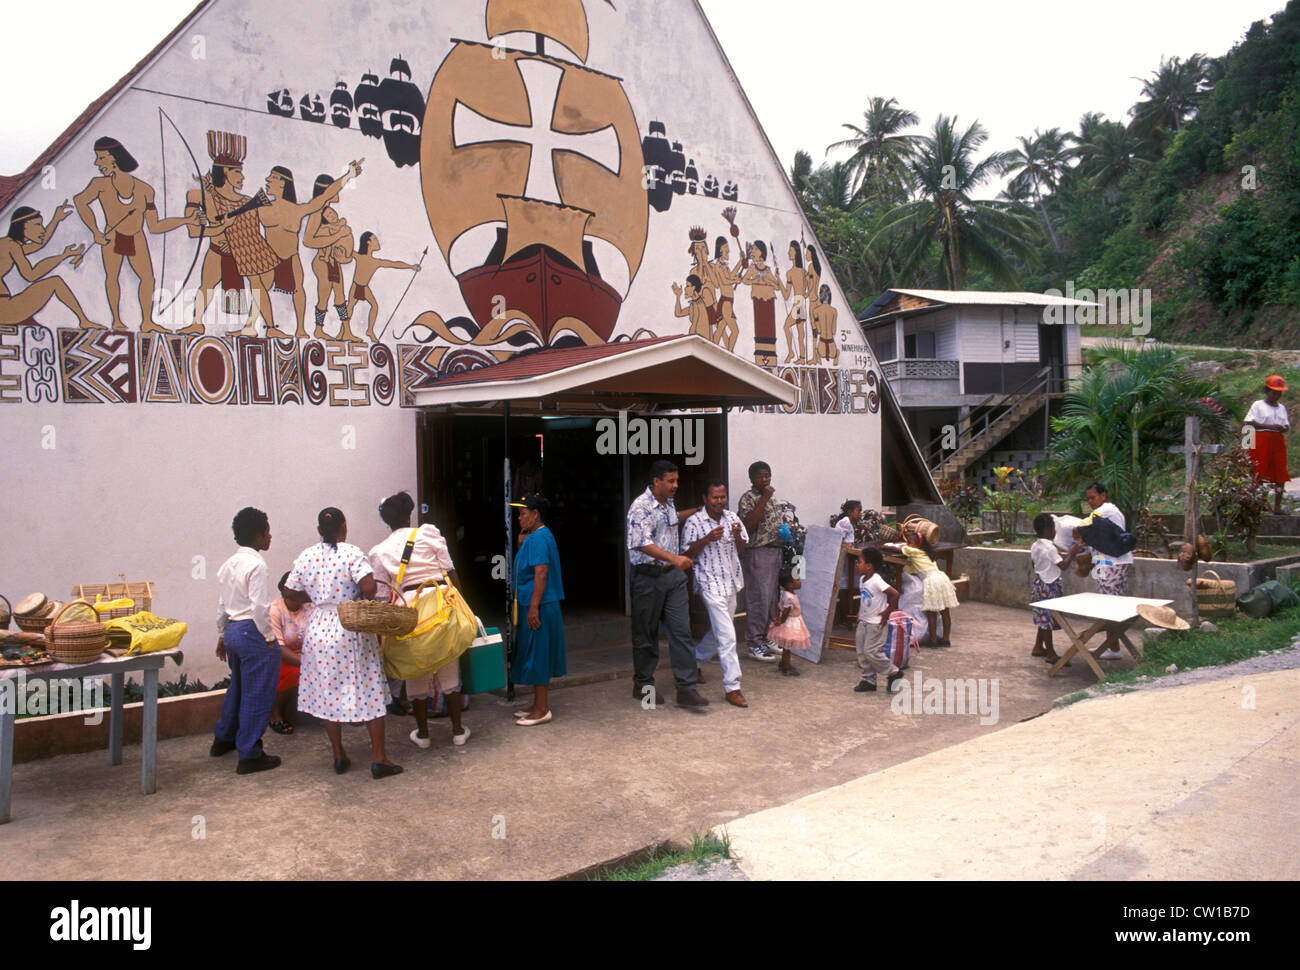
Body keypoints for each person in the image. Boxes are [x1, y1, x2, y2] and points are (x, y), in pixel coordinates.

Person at [284, 507, 402, 779]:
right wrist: (356, 591)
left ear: (318, 530)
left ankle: (339, 755)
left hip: (319, 627)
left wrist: (314, 597)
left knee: (328, 690)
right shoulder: (352, 553)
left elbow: (289, 592)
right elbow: (371, 589)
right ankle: (379, 758)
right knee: (369, 688)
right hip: (349, 625)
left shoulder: (307, 555)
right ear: (343, 528)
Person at [367, 491, 469, 748]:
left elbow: (381, 595)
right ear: (410, 513)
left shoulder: (379, 551)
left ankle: (423, 734)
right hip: (439, 601)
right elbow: (449, 571)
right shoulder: (428, 534)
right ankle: (458, 731)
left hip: (408, 609)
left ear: (386, 521)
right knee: (447, 661)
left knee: (415, 666)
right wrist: (463, 605)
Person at [625, 459, 706, 707]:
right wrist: (676, 558)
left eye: (677, 480)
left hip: (673, 578)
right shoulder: (640, 507)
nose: (675, 485)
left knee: (681, 632)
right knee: (646, 635)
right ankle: (643, 685)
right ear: (656, 481)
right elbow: (642, 542)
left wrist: (695, 511)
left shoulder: (668, 503)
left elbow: (669, 521)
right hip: (648, 578)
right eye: (670, 481)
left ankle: (686, 688)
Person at [211, 507, 281, 774]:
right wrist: (269, 638)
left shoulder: (228, 565)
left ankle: (223, 738)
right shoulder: (257, 565)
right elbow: (260, 607)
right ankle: (250, 753)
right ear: (258, 535)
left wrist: (222, 634)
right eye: (268, 531)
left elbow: (222, 604)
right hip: (252, 632)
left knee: (237, 688)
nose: (270, 536)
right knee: (258, 693)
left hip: (233, 631)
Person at [683, 479, 749, 707]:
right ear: (705, 498)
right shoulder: (694, 522)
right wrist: (707, 538)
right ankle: (733, 686)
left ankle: (693, 662)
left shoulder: (732, 518)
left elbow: (741, 550)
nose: (719, 501)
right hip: (709, 583)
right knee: (728, 636)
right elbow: (688, 554)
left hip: (730, 582)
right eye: (715, 497)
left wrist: (738, 535)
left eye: (722, 497)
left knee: (721, 630)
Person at [510, 493, 566, 725]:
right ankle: (536, 703)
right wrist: (522, 543)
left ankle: (542, 709)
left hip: (539, 605)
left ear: (536, 514)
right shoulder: (535, 537)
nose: (520, 518)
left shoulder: (539, 538)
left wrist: (533, 607)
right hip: (533, 603)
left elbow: (541, 572)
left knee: (538, 655)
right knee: (532, 653)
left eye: (523, 513)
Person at [1069, 482, 1133, 660]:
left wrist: (1075, 530)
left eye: (1093, 497)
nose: (1090, 501)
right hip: (1106, 563)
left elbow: (1084, 525)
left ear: (1103, 496)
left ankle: (1113, 648)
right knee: (1109, 606)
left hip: (1114, 563)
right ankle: (1113, 647)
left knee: (1109, 606)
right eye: (1088, 498)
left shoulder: (1107, 509)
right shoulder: (1101, 516)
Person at [736, 461, 781, 663]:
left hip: (774, 551)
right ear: (752, 479)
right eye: (760, 476)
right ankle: (754, 643)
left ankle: (767, 638)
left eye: (767, 475)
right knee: (758, 599)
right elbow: (748, 526)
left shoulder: (772, 498)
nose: (765, 479)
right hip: (757, 553)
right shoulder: (748, 498)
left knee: (772, 599)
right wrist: (764, 498)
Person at [884, 528, 958, 645]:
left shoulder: (912, 551)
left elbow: (894, 548)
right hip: (942, 579)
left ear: (917, 545)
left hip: (931, 581)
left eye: (910, 543)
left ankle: (933, 640)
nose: (908, 544)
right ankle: (946, 639)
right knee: (944, 611)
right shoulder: (927, 553)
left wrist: (886, 545)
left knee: (931, 612)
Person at [853, 549, 904, 693]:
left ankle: (894, 672)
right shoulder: (862, 580)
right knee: (862, 652)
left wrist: (887, 613)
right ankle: (869, 680)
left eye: (860, 562)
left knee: (871, 652)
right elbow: (865, 598)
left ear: (869, 566)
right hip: (863, 621)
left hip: (875, 623)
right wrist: (859, 613)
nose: (857, 564)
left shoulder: (877, 580)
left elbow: (895, 594)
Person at [268, 570, 313, 734]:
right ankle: (275, 714)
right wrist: (307, 663)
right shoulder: (275, 610)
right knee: (295, 673)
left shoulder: (310, 606)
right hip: (281, 656)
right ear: (288, 591)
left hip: (307, 654)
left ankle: (325, 710)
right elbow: (278, 648)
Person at [1029, 513, 1077, 663]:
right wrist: (1071, 553)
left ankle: (1038, 646)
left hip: (1039, 583)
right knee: (1047, 620)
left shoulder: (1035, 545)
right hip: (1050, 585)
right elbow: (1063, 565)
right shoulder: (1050, 548)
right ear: (1049, 529)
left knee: (1044, 617)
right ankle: (1051, 653)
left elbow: (1035, 563)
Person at [1245, 376, 1290, 514]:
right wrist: (1269, 426)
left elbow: (1286, 425)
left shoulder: (1282, 407)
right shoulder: (1258, 405)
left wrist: (1283, 429)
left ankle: (1277, 507)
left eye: (1279, 392)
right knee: (1258, 471)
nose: (1276, 395)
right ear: (1266, 391)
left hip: (1277, 441)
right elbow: (1248, 423)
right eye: (1274, 392)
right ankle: (1254, 505)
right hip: (1260, 439)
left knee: (1280, 473)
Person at [767, 572, 810, 676]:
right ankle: (786, 667)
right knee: (787, 647)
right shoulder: (790, 597)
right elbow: (786, 611)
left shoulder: (784, 593)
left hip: (788, 621)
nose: (800, 582)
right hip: (791, 623)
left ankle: (784, 663)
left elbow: (779, 606)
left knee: (786, 646)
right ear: (790, 584)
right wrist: (781, 620)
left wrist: (777, 617)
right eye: (798, 580)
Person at [833, 499, 864, 626]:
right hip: (843, 561)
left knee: (848, 588)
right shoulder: (845, 522)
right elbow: (837, 540)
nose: (860, 514)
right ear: (850, 512)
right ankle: (843, 617)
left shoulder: (849, 523)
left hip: (848, 561)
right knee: (845, 589)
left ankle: (846, 616)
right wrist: (850, 548)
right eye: (858, 511)